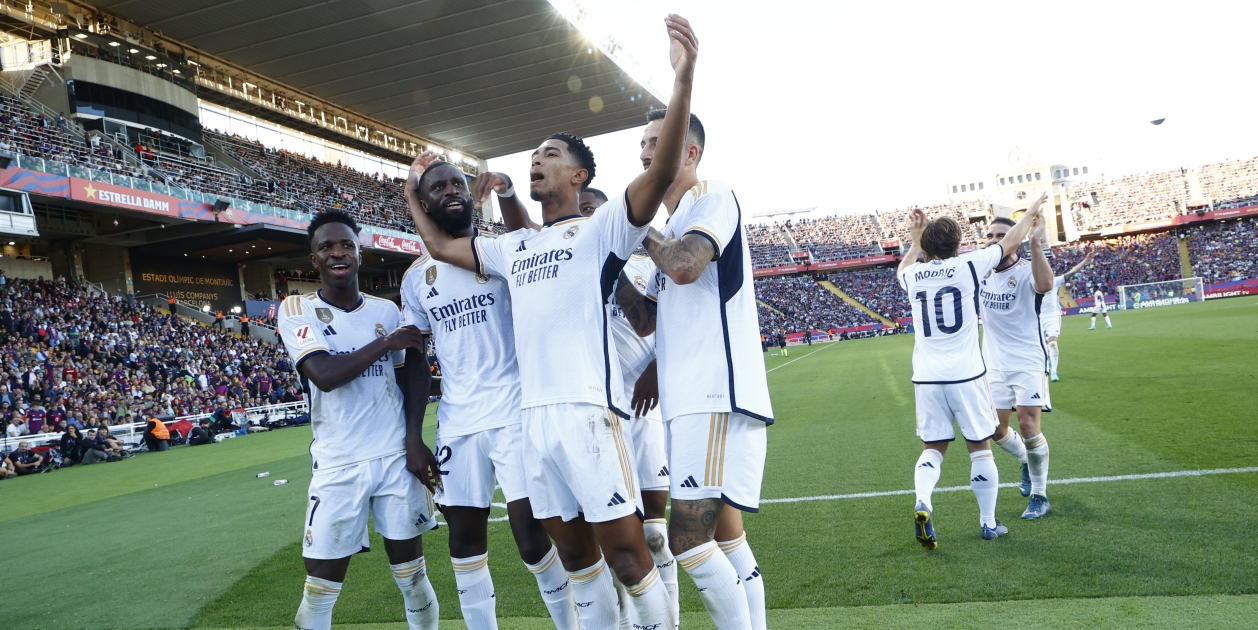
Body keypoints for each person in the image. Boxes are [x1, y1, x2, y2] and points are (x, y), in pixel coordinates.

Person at [404, 15, 696, 629]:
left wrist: (682, 76)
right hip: (533, 423)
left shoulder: (604, 229)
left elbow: (662, 170)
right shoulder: (515, 249)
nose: (537, 161)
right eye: (534, 155)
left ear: (578, 176)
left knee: (625, 553)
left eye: (551, 156)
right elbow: (440, 248)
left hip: (589, 412)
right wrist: (412, 194)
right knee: (576, 558)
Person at [400, 159, 578, 629]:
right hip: (458, 421)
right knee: (463, 544)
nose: (452, 191)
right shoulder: (417, 277)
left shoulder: (500, 251)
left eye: (458, 182)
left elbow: (530, 235)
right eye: (438, 187)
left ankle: (570, 623)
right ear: (423, 201)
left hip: (515, 411)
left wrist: (506, 191)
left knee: (531, 537)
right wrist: (413, 434)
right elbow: (416, 356)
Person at [636, 110, 771, 630]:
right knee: (726, 537)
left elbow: (685, 266)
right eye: (643, 146)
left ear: (689, 153)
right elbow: (646, 317)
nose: (646, 154)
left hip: (712, 393)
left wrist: (636, 232)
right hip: (689, 398)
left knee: (687, 541)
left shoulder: (712, 196)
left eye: (657, 142)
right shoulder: (672, 225)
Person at [277, 209, 439, 630]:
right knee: (319, 588)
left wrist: (414, 438)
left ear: (359, 251)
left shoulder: (386, 309)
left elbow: (414, 370)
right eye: (326, 247)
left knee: (413, 575)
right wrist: (385, 343)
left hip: (392, 458)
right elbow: (325, 376)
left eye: (346, 244)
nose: (337, 253)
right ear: (313, 259)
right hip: (338, 463)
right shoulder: (296, 308)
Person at [559, 188, 678, 625]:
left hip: (643, 413)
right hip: (595, 418)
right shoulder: (569, 271)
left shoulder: (648, 264)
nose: (589, 219)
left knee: (654, 535)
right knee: (612, 543)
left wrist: (658, 367)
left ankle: (672, 619)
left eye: (596, 212)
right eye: (583, 212)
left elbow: (670, 323)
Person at [896, 195, 1043, 548]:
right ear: (959, 244)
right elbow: (1012, 241)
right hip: (966, 375)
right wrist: (1033, 210)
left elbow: (902, 269)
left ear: (927, 246)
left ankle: (923, 501)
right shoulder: (969, 266)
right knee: (980, 448)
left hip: (926, 378)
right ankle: (988, 523)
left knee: (933, 447)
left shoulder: (913, 276)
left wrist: (914, 240)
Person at [980, 214, 1056, 520]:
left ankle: (1040, 495)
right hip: (993, 362)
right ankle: (1027, 460)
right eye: (990, 235)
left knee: (1027, 424)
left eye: (1002, 234)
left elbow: (1047, 284)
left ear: (1015, 237)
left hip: (1027, 359)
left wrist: (1036, 243)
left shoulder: (1027, 270)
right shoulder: (980, 268)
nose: (995, 239)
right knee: (995, 430)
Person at [1042, 252, 1093, 381]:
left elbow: (1073, 271)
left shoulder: (1055, 281)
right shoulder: (1032, 283)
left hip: (1052, 316)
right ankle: (1046, 366)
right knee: (1041, 346)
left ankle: (1054, 372)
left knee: (1052, 343)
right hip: (1036, 318)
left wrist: (1086, 260)